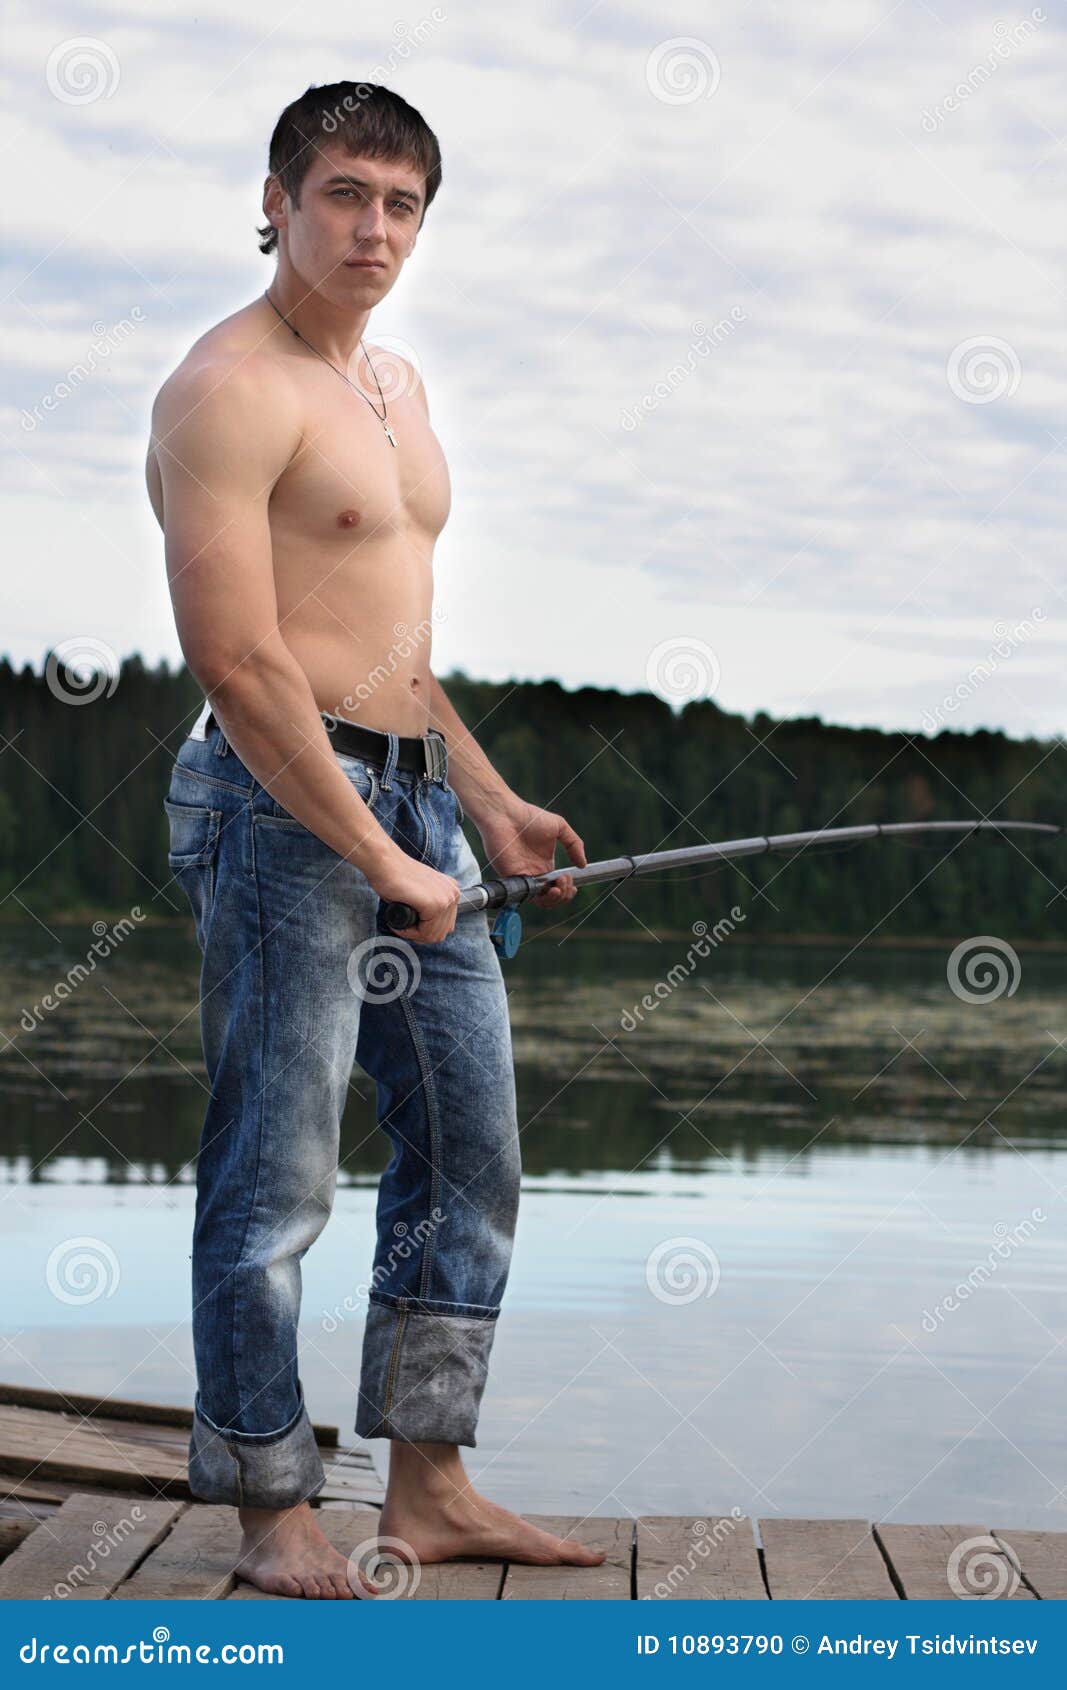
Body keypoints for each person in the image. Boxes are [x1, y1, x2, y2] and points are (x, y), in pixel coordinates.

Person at [145, 80, 605, 1599]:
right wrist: (378, 853)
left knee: (472, 1156)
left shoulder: (396, 386)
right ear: (274, 200)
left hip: (413, 804)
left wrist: (475, 800)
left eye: (403, 204)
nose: (375, 229)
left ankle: (428, 1484)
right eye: (345, 193)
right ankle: (274, 1504)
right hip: (281, 811)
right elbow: (245, 659)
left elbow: (388, 642)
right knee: (276, 1177)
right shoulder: (225, 388)